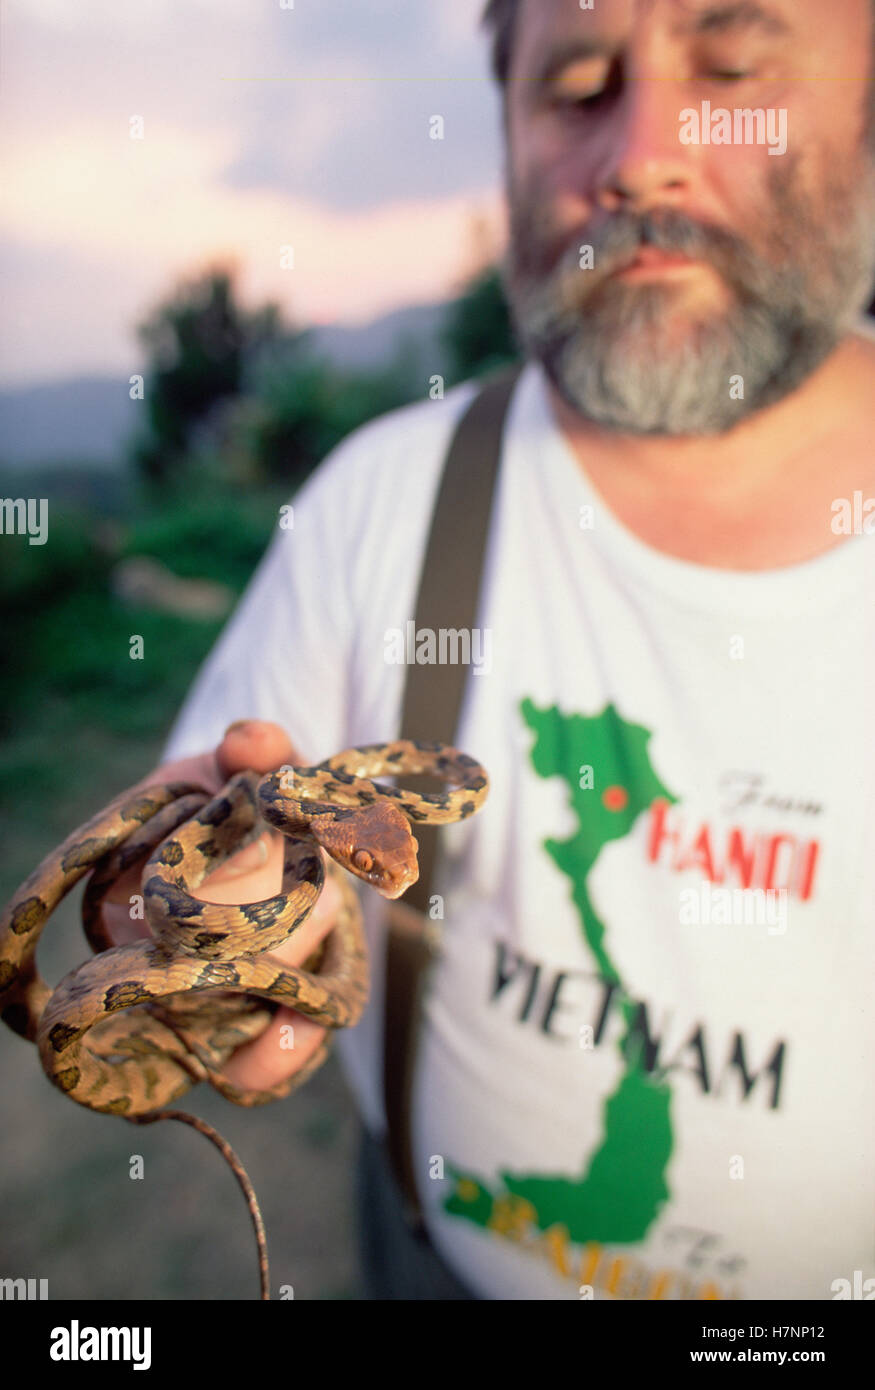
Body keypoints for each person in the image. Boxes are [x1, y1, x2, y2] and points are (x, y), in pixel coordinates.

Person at [105, 0, 875, 1299]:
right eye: (575, 85)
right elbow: (180, 842)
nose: (639, 149)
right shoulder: (381, 499)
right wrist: (183, 921)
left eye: (734, 66)